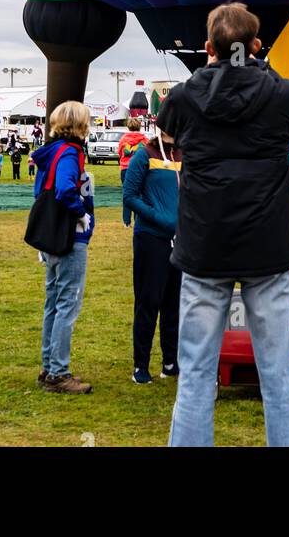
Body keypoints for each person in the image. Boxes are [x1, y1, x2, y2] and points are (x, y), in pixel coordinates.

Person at [157, 1, 289, 448]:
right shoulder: (279, 93)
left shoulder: (183, 96)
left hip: (206, 242)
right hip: (268, 243)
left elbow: (169, 135)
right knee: (278, 374)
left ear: (207, 48)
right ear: (258, 46)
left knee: (196, 372)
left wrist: (216, 68)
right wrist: (256, 63)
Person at [31, 100, 95, 395]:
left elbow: (41, 190)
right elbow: (65, 188)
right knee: (68, 303)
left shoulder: (51, 152)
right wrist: (81, 213)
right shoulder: (70, 153)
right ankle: (59, 372)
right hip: (70, 235)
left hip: (51, 235)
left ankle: (48, 366)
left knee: (53, 302)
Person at [122, 125, 182, 384]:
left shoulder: (183, 154)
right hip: (151, 238)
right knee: (148, 301)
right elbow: (130, 195)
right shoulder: (144, 154)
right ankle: (140, 365)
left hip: (180, 240)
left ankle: (171, 361)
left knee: (174, 302)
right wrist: (158, 217)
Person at [118, 119, 147, 185]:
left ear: (128, 127)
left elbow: (119, 152)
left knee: (127, 192)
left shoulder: (123, 139)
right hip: (140, 169)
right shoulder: (144, 140)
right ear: (140, 126)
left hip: (125, 168)